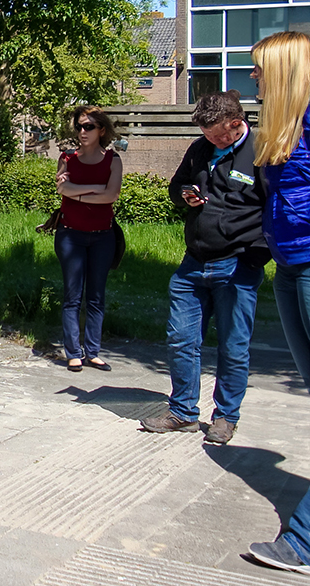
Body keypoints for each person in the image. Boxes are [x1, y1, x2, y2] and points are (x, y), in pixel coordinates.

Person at [139, 90, 268, 445]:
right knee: (181, 338)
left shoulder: (262, 153)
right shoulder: (200, 149)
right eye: (206, 135)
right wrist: (185, 194)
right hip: (193, 263)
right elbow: (176, 186)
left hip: (237, 265)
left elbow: (277, 207)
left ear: (237, 124)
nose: (211, 141)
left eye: (217, 135)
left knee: (233, 345)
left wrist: (256, 256)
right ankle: (182, 412)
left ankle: (226, 417)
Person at [245, 31, 310, 575]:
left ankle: (305, 542)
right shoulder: (281, 127)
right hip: (288, 269)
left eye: (260, 68)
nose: (253, 77)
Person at [54, 106, 124, 373]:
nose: (83, 132)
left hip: (102, 236)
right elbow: (62, 189)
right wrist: (94, 189)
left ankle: (92, 352)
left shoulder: (113, 160)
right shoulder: (67, 158)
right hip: (70, 234)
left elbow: (111, 195)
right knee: (73, 295)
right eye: (79, 127)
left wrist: (78, 193)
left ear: (101, 130)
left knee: (96, 296)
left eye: (89, 127)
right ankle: (73, 352)